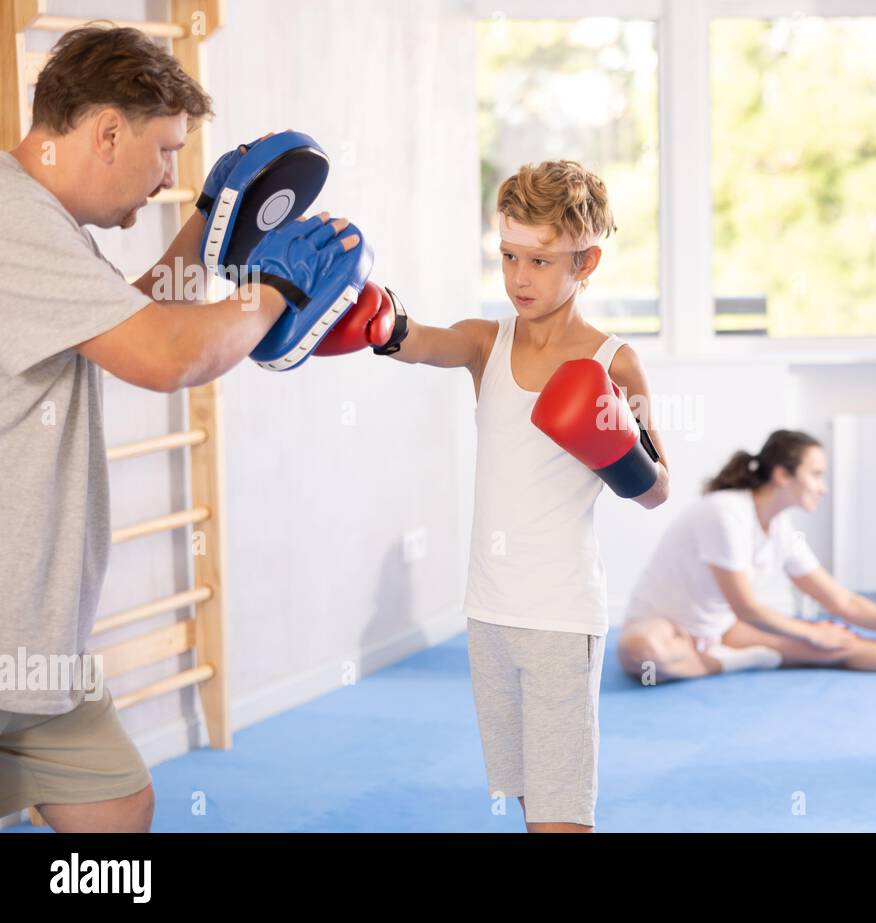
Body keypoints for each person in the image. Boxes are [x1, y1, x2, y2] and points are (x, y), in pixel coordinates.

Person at [0, 25, 354, 831]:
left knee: (116, 812)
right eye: (165, 152)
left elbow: (131, 317)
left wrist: (206, 225)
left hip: (32, 636)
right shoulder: (12, 221)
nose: (167, 175)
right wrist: (279, 291)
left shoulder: (40, 220)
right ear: (107, 131)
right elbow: (164, 354)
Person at [378, 160, 669, 832]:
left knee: (563, 813)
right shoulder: (487, 342)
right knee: (532, 801)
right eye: (508, 256)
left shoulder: (613, 362)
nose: (518, 277)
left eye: (538, 260)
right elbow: (424, 342)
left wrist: (618, 446)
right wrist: (379, 322)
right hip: (489, 609)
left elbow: (660, 490)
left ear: (586, 260)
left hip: (561, 615)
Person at [617, 430, 876, 682]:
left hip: (720, 632)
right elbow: (748, 607)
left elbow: (842, 601)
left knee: (835, 647)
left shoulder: (783, 533)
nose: (822, 487)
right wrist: (810, 631)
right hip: (665, 627)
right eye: (815, 474)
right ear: (782, 475)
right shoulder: (725, 512)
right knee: (643, 654)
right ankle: (735, 661)